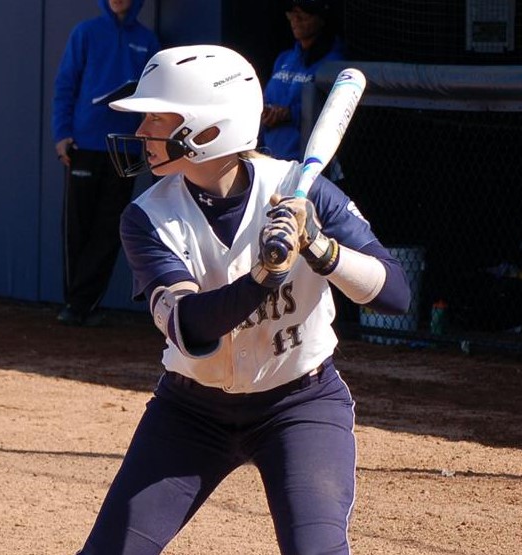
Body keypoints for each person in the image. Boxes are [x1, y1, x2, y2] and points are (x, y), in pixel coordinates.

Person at [74, 44, 411, 554]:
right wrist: (263, 276)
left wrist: (319, 248)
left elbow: (395, 294)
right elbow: (191, 329)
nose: (143, 132)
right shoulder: (146, 217)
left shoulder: (305, 193)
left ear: (209, 129)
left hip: (300, 404)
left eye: (157, 118)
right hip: (190, 412)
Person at [51, 0, 159, 326]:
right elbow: (65, 85)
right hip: (84, 145)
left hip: (124, 150)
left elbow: (155, 100)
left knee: (109, 229)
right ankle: (74, 304)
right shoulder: (85, 33)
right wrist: (63, 133)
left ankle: (86, 303)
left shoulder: (148, 41)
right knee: (78, 226)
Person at [261, 0, 346, 163]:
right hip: (270, 161)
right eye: (292, 12)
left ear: (321, 18)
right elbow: (266, 99)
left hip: (308, 165)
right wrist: (264, 112)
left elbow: (334, 115)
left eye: (303, 12)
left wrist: (290, 114)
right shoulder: (284, 58)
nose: (295, 18)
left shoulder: (336, 62)